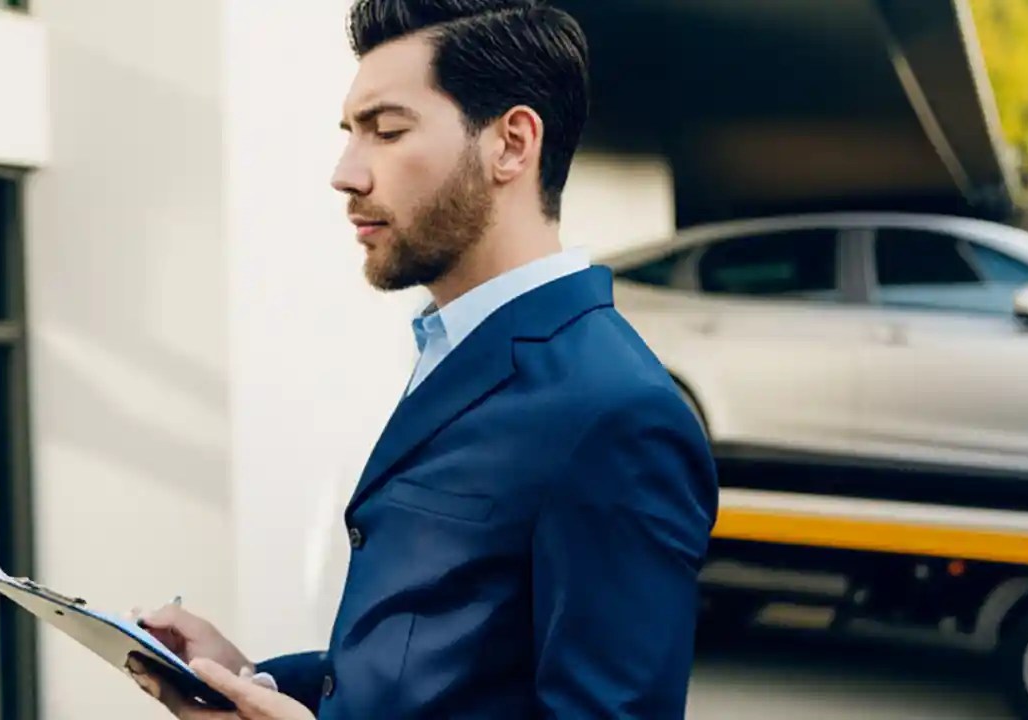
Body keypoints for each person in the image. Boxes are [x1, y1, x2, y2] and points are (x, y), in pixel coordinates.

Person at [130, 0, 719, 717]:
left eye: (386, 131)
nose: (346, 174)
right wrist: (252, 679)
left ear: (510, 144)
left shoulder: (616, 413)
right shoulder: (455, 347)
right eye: (351, 134)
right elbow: (446, 668)